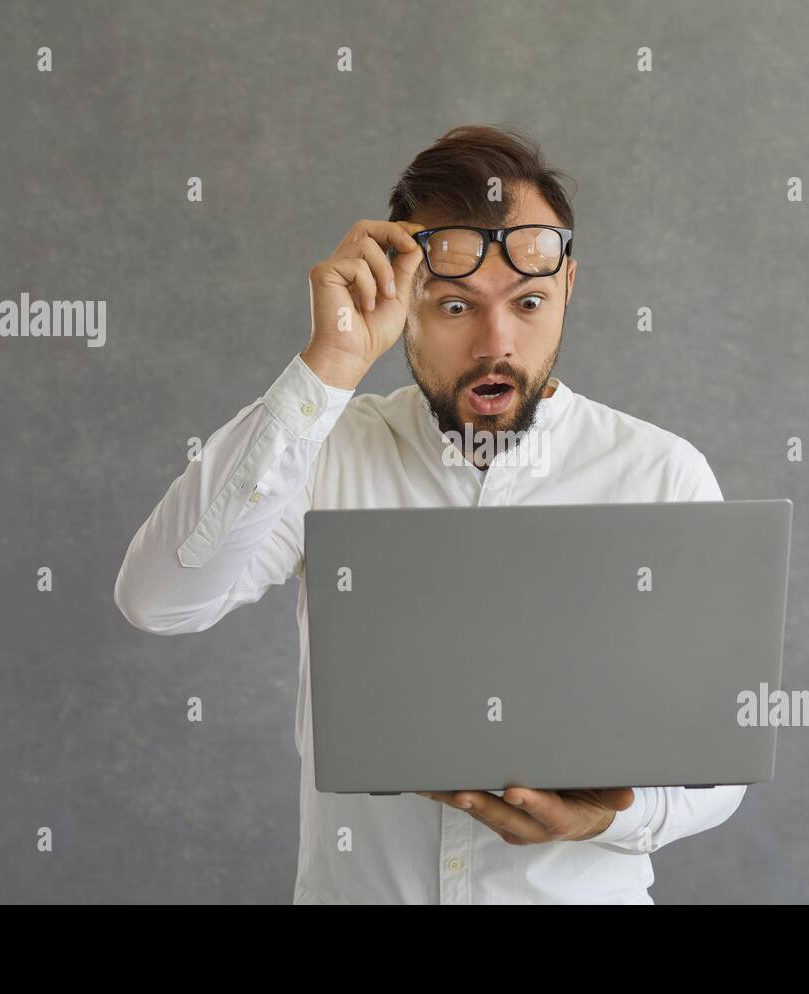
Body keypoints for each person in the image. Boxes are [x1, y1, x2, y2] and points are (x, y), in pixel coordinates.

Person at [114, 124, 747, 904]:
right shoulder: (324, 451)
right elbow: (159, 600)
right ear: (402, 300)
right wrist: (330, 364)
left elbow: (718, 767)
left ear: (569, 290)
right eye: (455, 304)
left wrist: (595, 823)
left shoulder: (661, 474)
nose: (497, 343)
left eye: (530, 303)